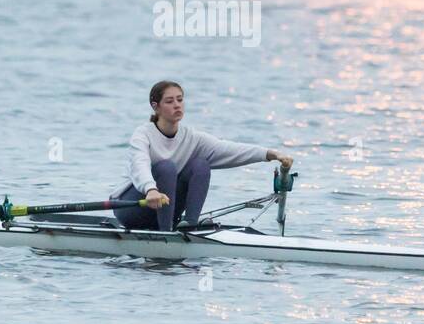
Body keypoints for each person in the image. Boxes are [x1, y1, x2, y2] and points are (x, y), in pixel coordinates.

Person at [112, 80, 293, 233]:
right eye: (169, 101)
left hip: (165, 207)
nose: (177, 105)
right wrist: (150, 189)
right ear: (155, 106)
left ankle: (189, 226)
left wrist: (270, 154)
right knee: (166, 168)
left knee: (200, 165)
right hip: (133, 207)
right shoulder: (143, 134)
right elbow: (139, 164)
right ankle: (165, 235)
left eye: (180, 100)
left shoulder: (191, 137)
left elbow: (228, 149)